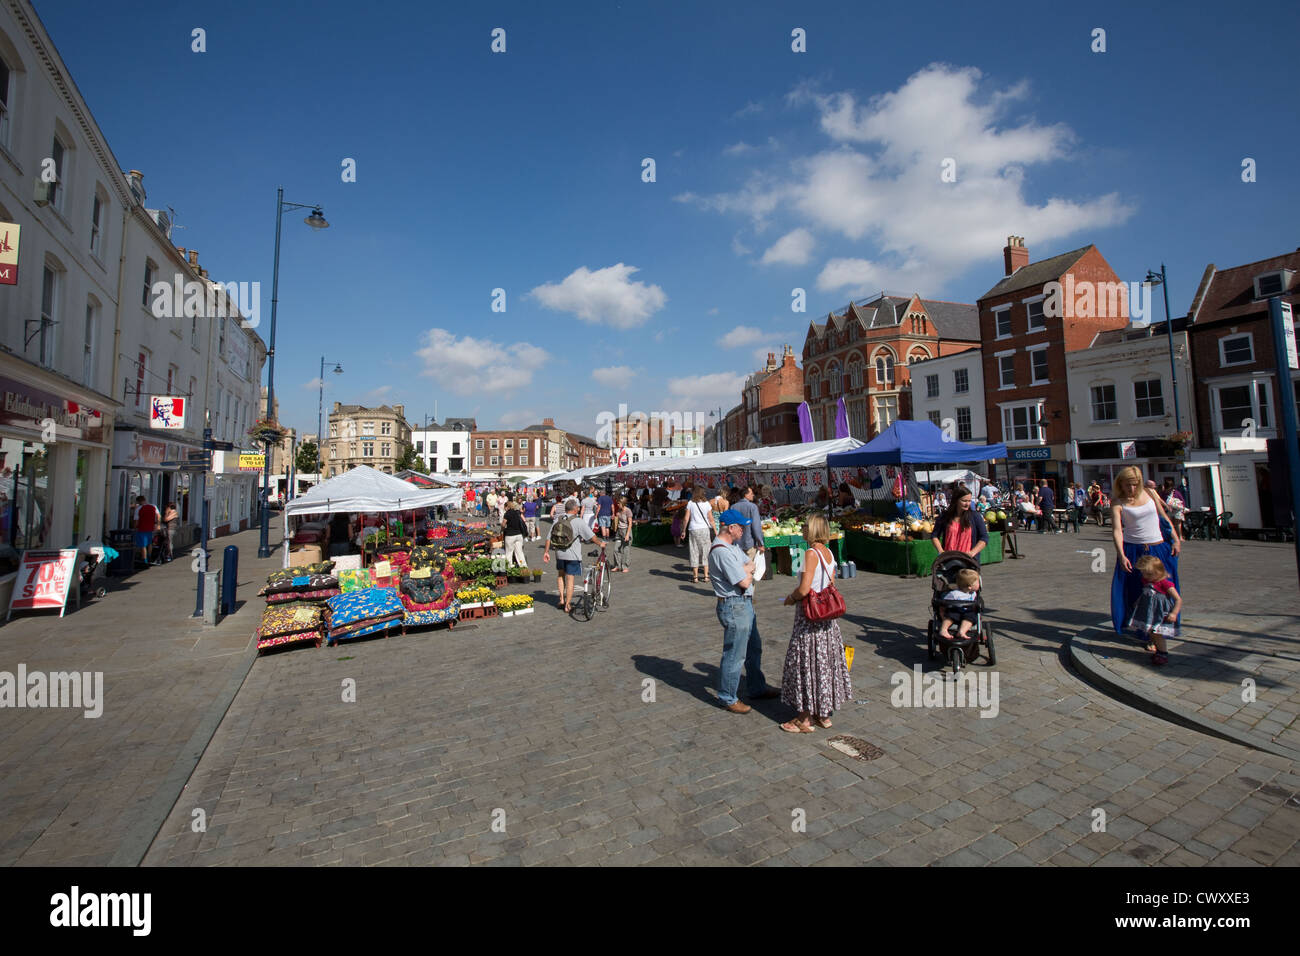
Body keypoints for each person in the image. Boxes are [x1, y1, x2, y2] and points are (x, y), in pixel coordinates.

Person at [779, 513, 852, 732]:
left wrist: (790, 598)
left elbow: (804, 589)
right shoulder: (828, 552)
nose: (802, 529)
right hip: (826, 621)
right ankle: (823, 713)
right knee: (823, 664)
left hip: (810, 618)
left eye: (805, 526)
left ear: (812, 530)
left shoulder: (811, 553)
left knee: (806, 663)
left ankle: (804, 718)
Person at [708, 508, 780, 714]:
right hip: (733, 604)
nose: (744, 530)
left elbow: (749, 565)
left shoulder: (732, 546)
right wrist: (746, 572)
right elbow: (743, 579)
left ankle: (757, 687)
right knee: (735, 653)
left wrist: (746, 570)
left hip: (743, 602)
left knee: (753, 647)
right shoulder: (721, 550)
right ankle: (728, 696)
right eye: (741, 527)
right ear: (730, 528)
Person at [1110, 464, 1181, 645]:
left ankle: (1161, 632)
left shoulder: (1149, 494)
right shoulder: (1118, 502)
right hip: (1134, 550)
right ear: (1121, 484)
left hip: (1158, 548)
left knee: (1163, 591)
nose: (1131, 489)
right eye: (1127, 485)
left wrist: (1175, 538)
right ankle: (1147, 634)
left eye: (1135, 484)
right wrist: (1121, 554)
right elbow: (1117, 530)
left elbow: (1163, 516)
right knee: (1139, 594)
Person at [543, 498, 604, 613]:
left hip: (559, 553)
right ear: (575, 510)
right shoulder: (578, 521)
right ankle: (567, 605)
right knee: (570, 579)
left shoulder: (558, 519)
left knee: (560, 575)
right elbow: (591, 537)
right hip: (572, 555)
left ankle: (561, 599)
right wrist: (601, 543)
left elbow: (548, 538)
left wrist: (546, 552)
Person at [1127, 554, 1182, 665]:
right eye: (1144, 574)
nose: (1145, 576)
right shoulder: (1147, 581)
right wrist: (1139, 601)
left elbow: (1178, 599)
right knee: (1151, 632)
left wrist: (1174, 613)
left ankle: (1163, 653)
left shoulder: (1165, 583)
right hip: (1149, 612)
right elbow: (1145, 593)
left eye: (1149, 574)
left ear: (1158, 572)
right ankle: (1157, 650)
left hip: (1159, 614)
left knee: (1157, 634)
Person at [930, 484, 989, 562]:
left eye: (969, 501)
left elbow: (984, 538)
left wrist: (972, 553)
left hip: (968, 562)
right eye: (964, 501)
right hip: (949, 561)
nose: (967, 504)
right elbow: (934, 536)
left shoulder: (975, 516)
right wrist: (941, 551)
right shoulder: (944, 516)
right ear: (956, 500)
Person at [682, 486, 716, 584]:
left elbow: (686, 518)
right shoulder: (707, 504)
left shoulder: (690, 503)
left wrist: (683, 530)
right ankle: (706, 576)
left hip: (693, 529)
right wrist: (715, 531)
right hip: (704, 529)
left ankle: (695, 577)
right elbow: (711, 519)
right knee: (706, 551)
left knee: (694, 551)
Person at [938, 568, 981, 641]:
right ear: (970, 587)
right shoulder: (954, 594)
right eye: (977, 583)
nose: (979, 584)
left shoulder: (973, 593)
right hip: (955, 611)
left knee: (971, 617)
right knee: (950, 616)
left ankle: (961, 631)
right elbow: (944, 603)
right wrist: (942, 612)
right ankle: (943, 630)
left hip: (967, 612)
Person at [734, 485, 765, 582]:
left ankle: (741, 592)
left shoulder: (733, 507)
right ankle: (748, 594)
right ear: (746, 495)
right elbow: (756, 527)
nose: (753, 495)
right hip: (749, 542)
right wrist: (760, 543)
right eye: (751, 493)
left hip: (736, 543)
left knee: (739, 570)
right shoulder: (752, 507)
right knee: (750, 570)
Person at [502, 499, 528, 567]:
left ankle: (509, 567)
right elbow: (524, 520)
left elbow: (503, 524)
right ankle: (523, 566)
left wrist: (502, 530)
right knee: (519, 552)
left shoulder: (507, 513)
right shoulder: (517, 512)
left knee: (509, 552)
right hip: (519, 535)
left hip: (510, 535)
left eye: (504, 507)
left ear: (507, 507)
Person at [134, 496, 159, 566]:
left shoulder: (139, 508)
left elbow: (136, 520)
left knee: (143, 545)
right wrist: (157, 524)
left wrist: (135, 527)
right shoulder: (153, 507)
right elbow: (158, 516)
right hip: (150, 528)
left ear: (139, 502)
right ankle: (149, 556)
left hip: (142, 528)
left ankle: (144, 559)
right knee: (149, 543)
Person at [612, 495, 634, 572]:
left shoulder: (628, 511)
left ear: (623, 503)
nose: (617, 505)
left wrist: (627, 535)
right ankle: (617, 565)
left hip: (626, 531)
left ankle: (625, 566)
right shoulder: (618, 510)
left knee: (625, 550)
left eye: (619, 503)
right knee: (615, 549)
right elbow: (617, 521)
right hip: (619, 531)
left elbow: (630, 523)